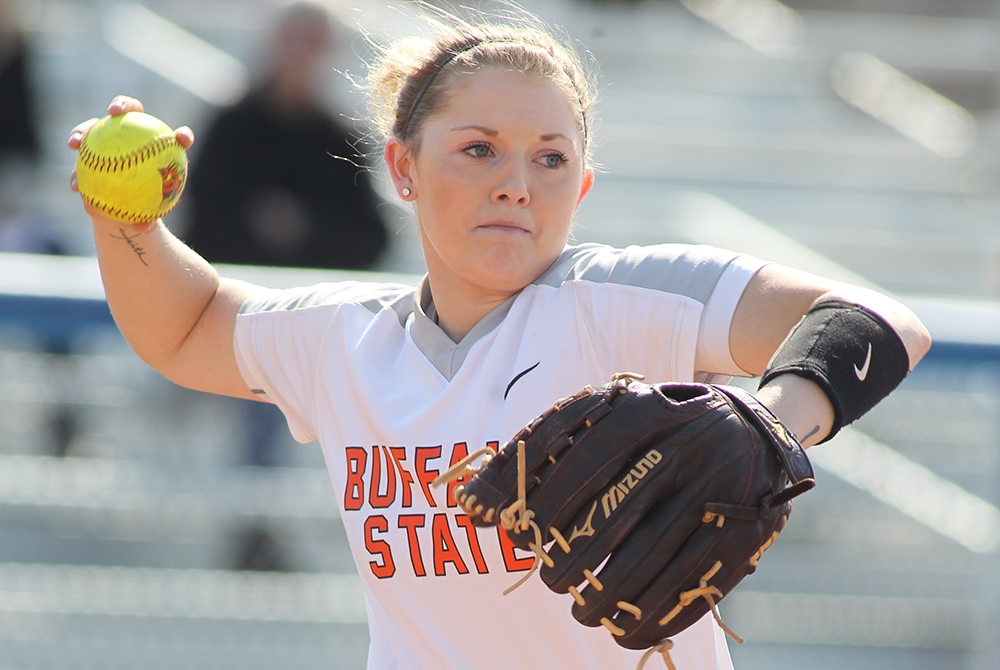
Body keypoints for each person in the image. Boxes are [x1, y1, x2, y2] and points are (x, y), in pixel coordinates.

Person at [67, 8, 931, 670]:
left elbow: (880, 322)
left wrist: (773, 417)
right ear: (402, 167)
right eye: (479, 149)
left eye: (549, 158)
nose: (517, 184)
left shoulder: (618, 298)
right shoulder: (344, 342)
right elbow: (187, 327)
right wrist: (124, 222)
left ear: (582, 182)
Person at [182, 1, 388, 270]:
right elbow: (203, 214)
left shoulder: (342, 141)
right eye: (294, 39)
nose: (301, 53)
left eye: (313, 42)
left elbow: (368, 239)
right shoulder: (230, 128)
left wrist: (305, 230)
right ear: (273, 42)